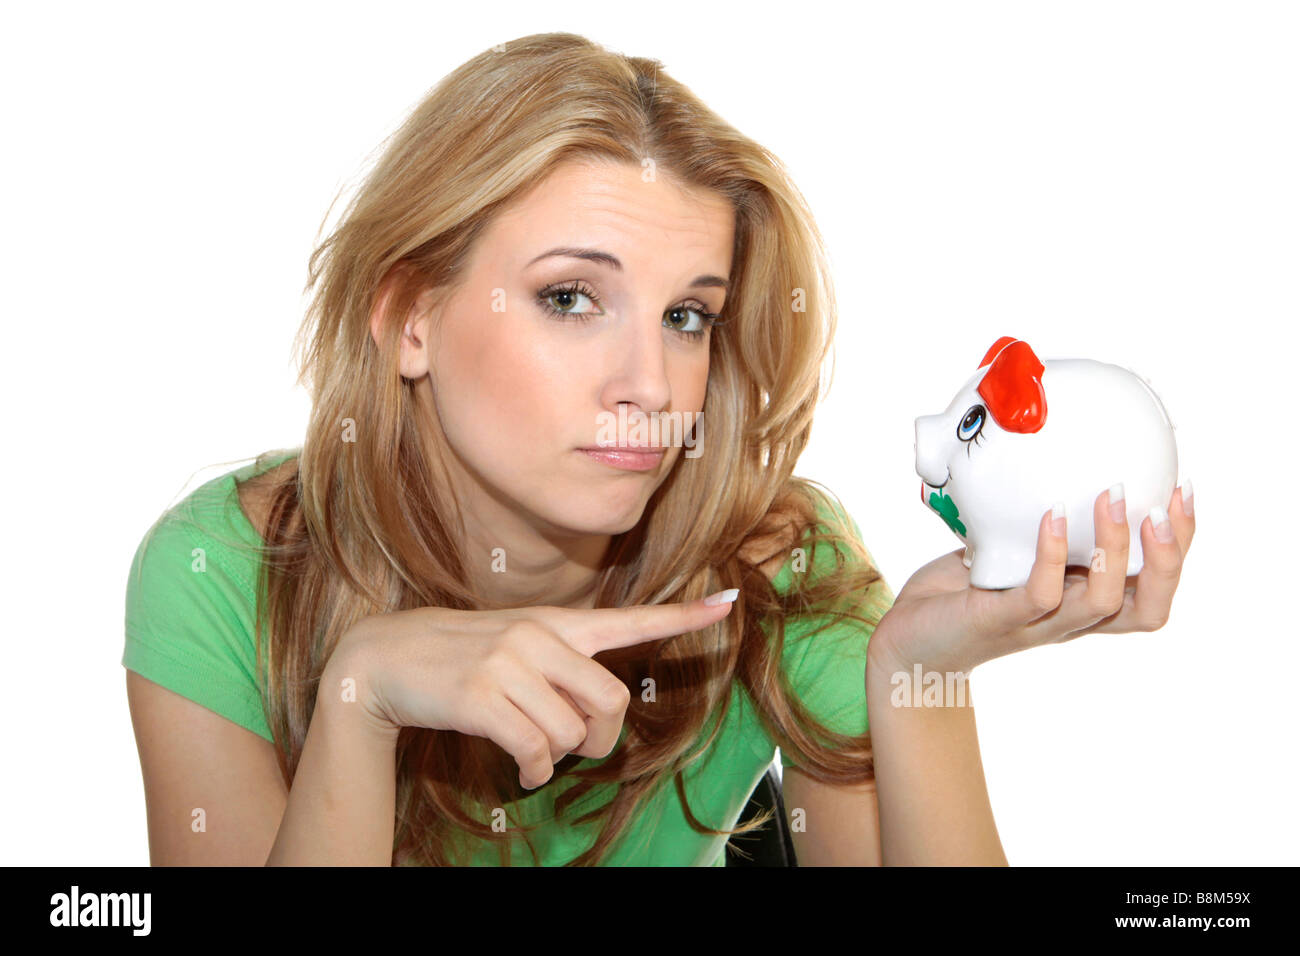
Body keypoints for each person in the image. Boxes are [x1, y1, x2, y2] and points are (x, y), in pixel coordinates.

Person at [122, 32, 1194, 867]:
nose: (650, 383)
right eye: (571, 297)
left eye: (688, 315)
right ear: (408, 316)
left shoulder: (772, 570)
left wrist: (916, 672)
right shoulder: (222, 575)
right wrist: (358, 703)